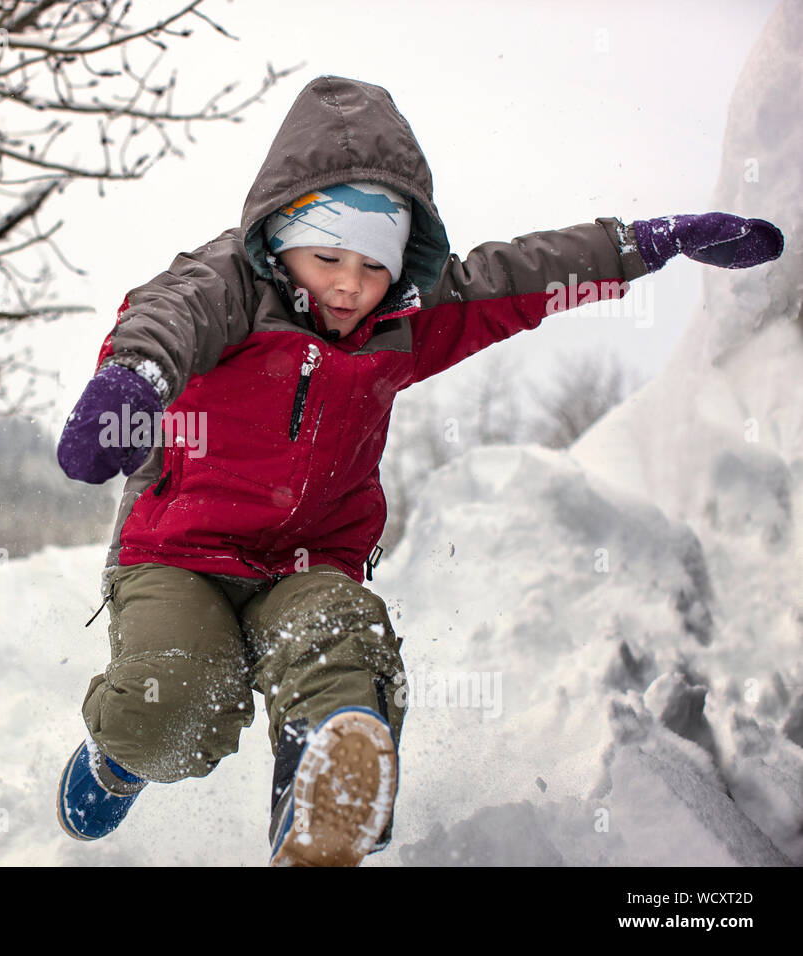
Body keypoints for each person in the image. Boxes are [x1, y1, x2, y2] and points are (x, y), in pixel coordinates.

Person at [52, 75, 783, 866]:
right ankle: (119, 757)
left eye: (373, 266)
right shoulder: (228, 282)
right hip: (180, 553)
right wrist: (133, 382)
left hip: (308, 563)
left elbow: (520, 277)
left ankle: (322, 802)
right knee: (179, 705)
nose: (348, 284)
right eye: (327, 255)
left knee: (344, 637)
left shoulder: (397, 321)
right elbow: (165, 317)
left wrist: (649, 241)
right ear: (278, 235)